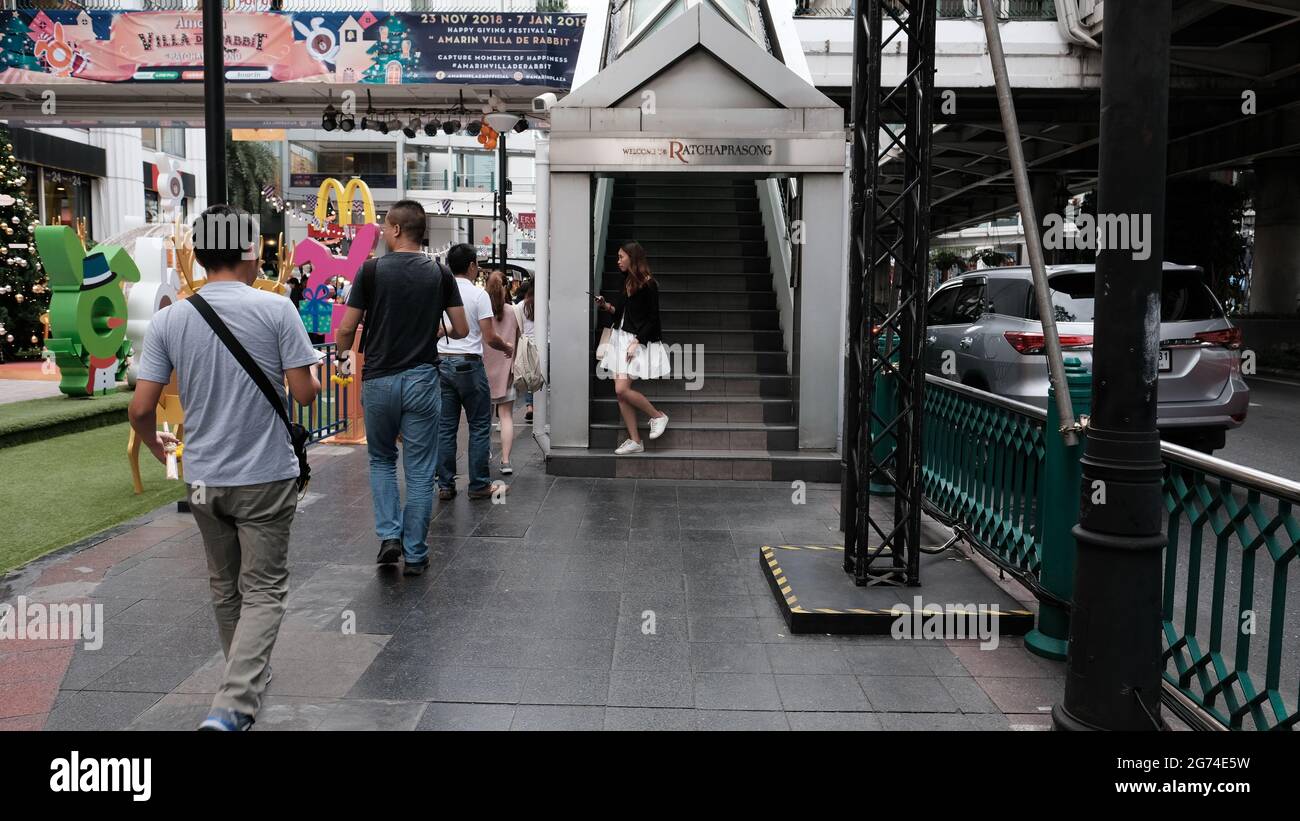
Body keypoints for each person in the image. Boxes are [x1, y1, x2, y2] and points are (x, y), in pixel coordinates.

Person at [128, 204, 321, 732]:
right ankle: (233, 705)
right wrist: (313, 377)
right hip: (264, 475)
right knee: (263, 590)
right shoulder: (277, 309)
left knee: (225, 587)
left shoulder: (170, 319)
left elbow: (141, 411)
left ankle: (244, 679)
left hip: (203, 480)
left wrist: (166, 456)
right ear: (248, 251)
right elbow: (304, 396)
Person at [335, 200, 468, 576]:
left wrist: (343, 354)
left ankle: (389, 535)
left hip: (378, 379)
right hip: (423, 378)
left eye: (384, 226)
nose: (381, 232)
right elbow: (460, 329)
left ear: (395, 230)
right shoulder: (439, 273)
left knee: (380, 459)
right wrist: (433, 330)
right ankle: (416, 552)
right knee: (421, 470)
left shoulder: (371, 271)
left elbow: (346, 328)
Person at [436, 245, 513, 499]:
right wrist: (507, 347)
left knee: (446, 427)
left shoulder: (439, 290)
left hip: (441, 363)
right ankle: (479, 484)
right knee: (479, 425)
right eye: (476, 264)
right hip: (469, 365)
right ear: (470, 266)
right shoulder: (478, 295)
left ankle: (445, 484)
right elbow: (490, 336)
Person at [595, 240, 670, 455]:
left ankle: (657, 416)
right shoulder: (628, 281)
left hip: (633, 341)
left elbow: (653, 318)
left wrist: (637, 341)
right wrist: (606, 306)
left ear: (632, 258)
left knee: (621, 389)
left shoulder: (649, 284)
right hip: (620, 338)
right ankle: (635, 440)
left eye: (621, 257)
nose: (618, 261)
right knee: (620, 394)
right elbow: (622, 313)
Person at [482, 270, 521, 474]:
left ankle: (485, 453)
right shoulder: (514, 312)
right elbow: (520, 339)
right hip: (507, 371)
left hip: (482, 370)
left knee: (483, 418)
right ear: (506, 287)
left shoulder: (481, 312)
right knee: (505, 416)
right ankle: (505, 461)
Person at [517, 279, 536, 423]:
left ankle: (530, 406)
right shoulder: (549, 304)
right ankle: (540, 408)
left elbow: (519, 328)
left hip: (527, 345)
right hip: (546, 344)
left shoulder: (520, 306)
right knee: (542, 378)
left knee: (529, 378)